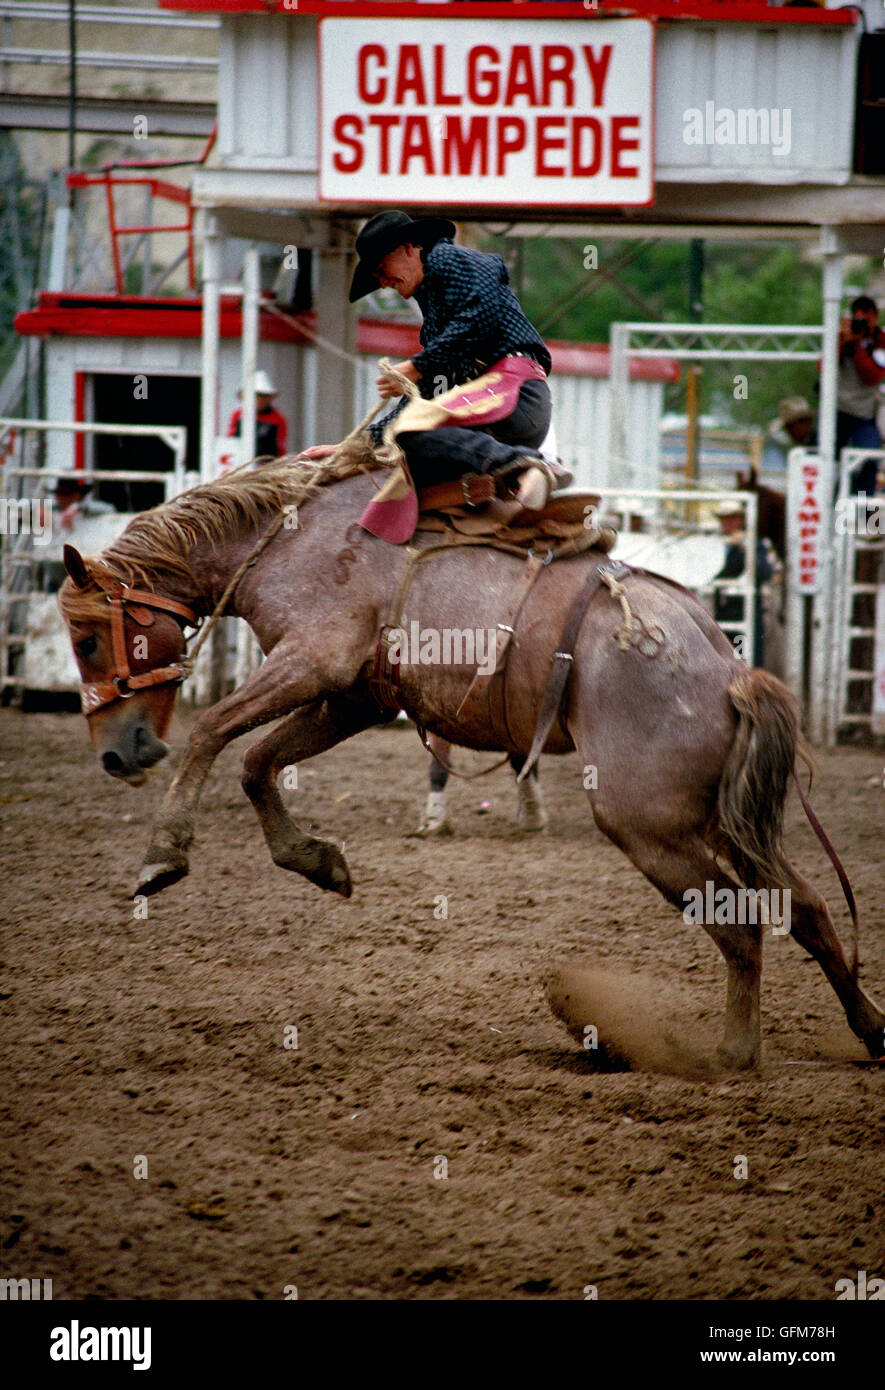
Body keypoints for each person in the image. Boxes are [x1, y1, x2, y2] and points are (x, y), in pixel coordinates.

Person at [304, 210, 569, 542]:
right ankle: (497, 496)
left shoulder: (449, 258)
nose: (383, 283)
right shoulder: (436, 316)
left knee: (411, 436)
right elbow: (424, 396)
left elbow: (480, 317)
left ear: (410, 249)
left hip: (515, 395)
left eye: (382, 271)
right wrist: (356, 446)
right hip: (501, 408)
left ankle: (528, 465)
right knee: (410, 442)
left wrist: (419, 365)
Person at [712, 501, 774, 668]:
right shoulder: (714, 544)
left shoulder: (755, 544)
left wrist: (745, 546)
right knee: (723, 660)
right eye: (724, 519)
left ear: (741, 520)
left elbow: (764, 573)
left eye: (732, 518)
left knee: (744, 659)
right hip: (720, 612)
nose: (727, 523)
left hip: (745, 611)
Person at [836, 295, 885, 494]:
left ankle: (864, 510)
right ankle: (829, 504)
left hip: (864, 415)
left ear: (875, 318)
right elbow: (824, 367)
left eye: (866, 320)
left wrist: (857, 347)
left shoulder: (880, 341)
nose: (862, 326)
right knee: (822, 455)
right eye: (858, 321)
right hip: (838, 411)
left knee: (869, 456)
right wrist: (841, 340)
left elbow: (872, 377)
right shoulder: (841, 336)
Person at [227, 370, 288, 459]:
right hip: (240, 461)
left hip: (266, 464)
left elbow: (281, 446)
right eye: (258, 395)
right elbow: (231, 439)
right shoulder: (238, 414)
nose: (261, 399)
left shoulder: (277, 418)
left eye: (264, 396)